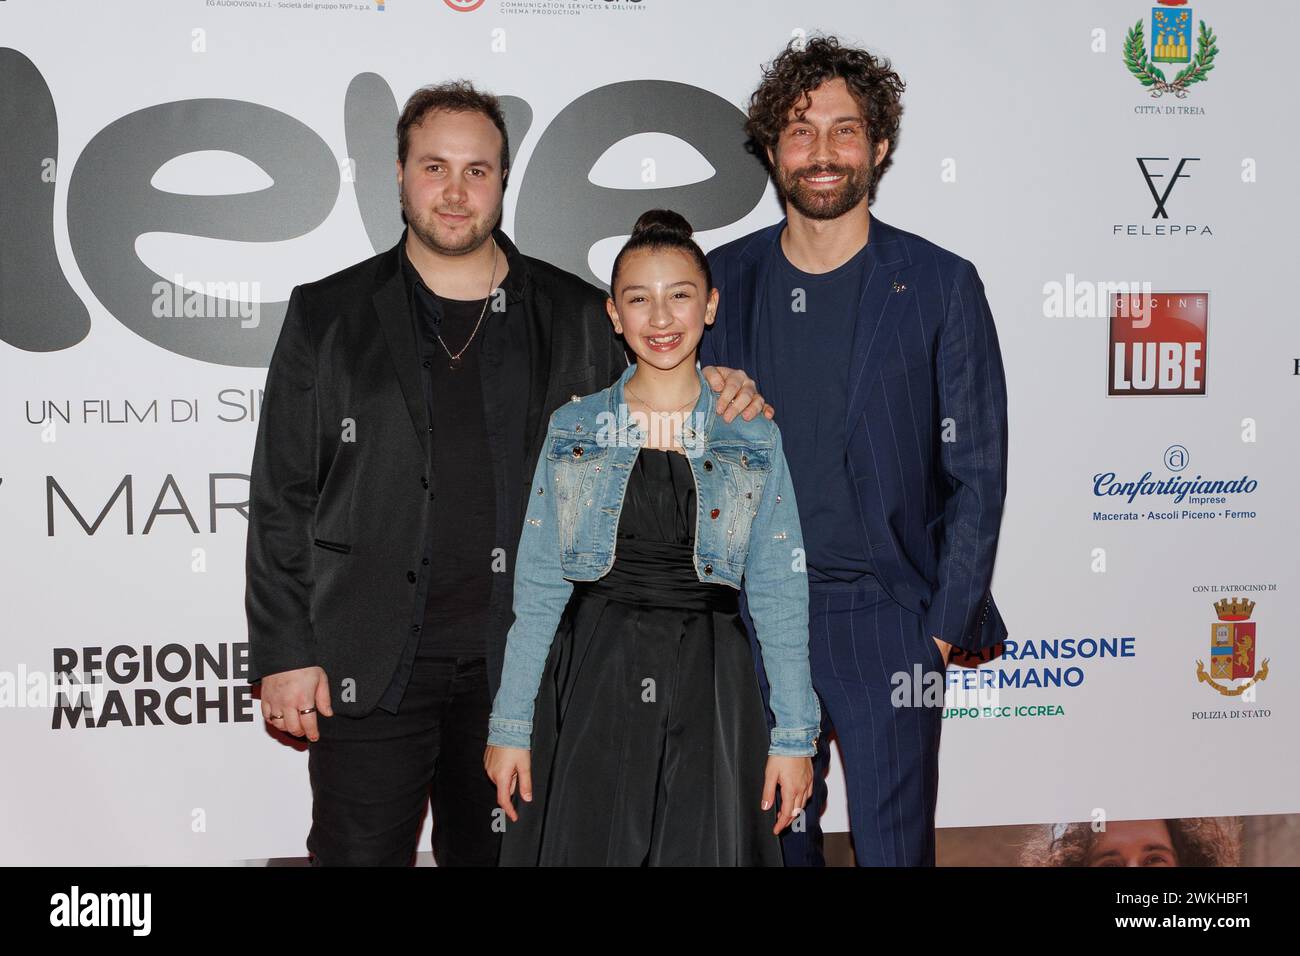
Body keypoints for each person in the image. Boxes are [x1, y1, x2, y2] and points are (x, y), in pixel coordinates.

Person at [244, 82, 766, 866]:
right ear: (398, 174)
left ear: (502, 180)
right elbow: (282, 494)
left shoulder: (580, 316)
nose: (455, 192)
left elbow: (666, 395)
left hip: (526, 668)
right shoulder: (328, 313)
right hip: (369, 666)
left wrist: (730, 390)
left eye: (478, 171)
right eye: (434, 167)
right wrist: (284, 650)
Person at [701, 36, 1010, 866]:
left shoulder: (941, 284)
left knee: (895, 854)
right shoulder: (720, 283)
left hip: (887, 619)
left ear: (878, 147)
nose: (824, 152)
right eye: (801, 131)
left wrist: (938, 635)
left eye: (846, 130)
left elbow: (978, 473)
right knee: (772, 852)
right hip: (756, 623)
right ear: (772, 151)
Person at [483, 209, 820, 866]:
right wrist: (512, 724)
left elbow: (781, 588)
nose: (661, 318)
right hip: (594, 678)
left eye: (680, 296)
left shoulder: (750, 433)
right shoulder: (576, 428)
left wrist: (794, 736)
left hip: (713, 682)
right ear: (614, 314)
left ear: (710, 306)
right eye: (640, 299)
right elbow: (539, 587)